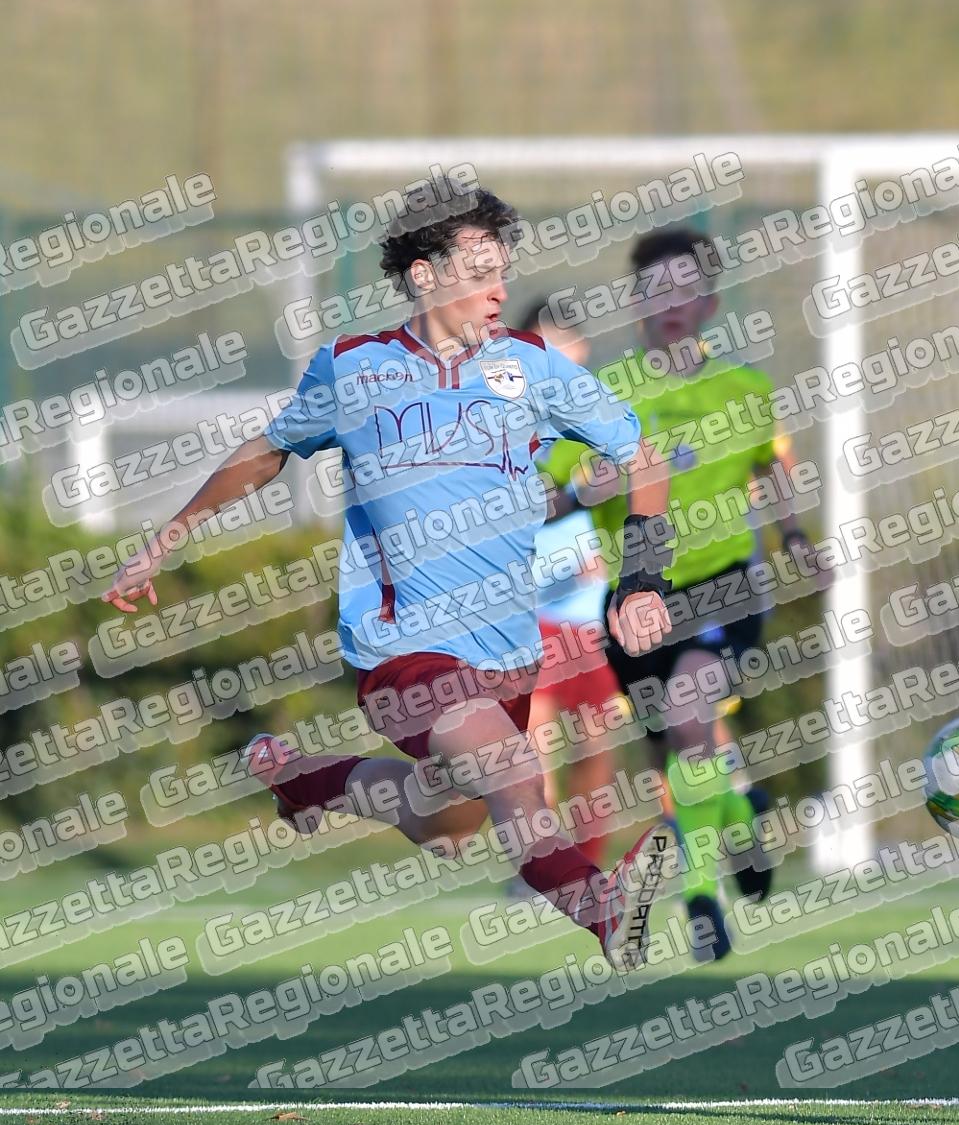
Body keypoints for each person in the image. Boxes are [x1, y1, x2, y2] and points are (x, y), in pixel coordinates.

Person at [103, 183, 677, 972]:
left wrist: (641, 579)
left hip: (505, 654)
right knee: (514, 776)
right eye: (479, 270)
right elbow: (267, 452)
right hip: (401, 654)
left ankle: (306, 780)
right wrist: (170, 534)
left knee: (441, 822)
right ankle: (601, 908)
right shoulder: (352, 367)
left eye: (503, 270)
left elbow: (642, 459)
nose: (499, 289)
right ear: (422, 274)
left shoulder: (534, 366)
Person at [542, 226, 824, 962]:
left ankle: (700, 897)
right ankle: (739, 817)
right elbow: (551, 494)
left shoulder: (746, 391)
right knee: (678, 744)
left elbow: (771, 472)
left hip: (721, 583)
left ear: (710, 303)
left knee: (691, 716)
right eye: (656, 290)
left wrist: (796, 540)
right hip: (634, 593)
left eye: (686, 290)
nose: (671, 303)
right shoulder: (601, 394)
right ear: (636, 302)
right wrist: (580, 488)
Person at [519, 301, 625, 868]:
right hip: (526, 615)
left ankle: (585, 857)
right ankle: (539, 864)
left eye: (562, 347)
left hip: (588, 618)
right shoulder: (508, 421)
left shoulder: (602, 420)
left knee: (595, 742)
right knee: (534, 740)